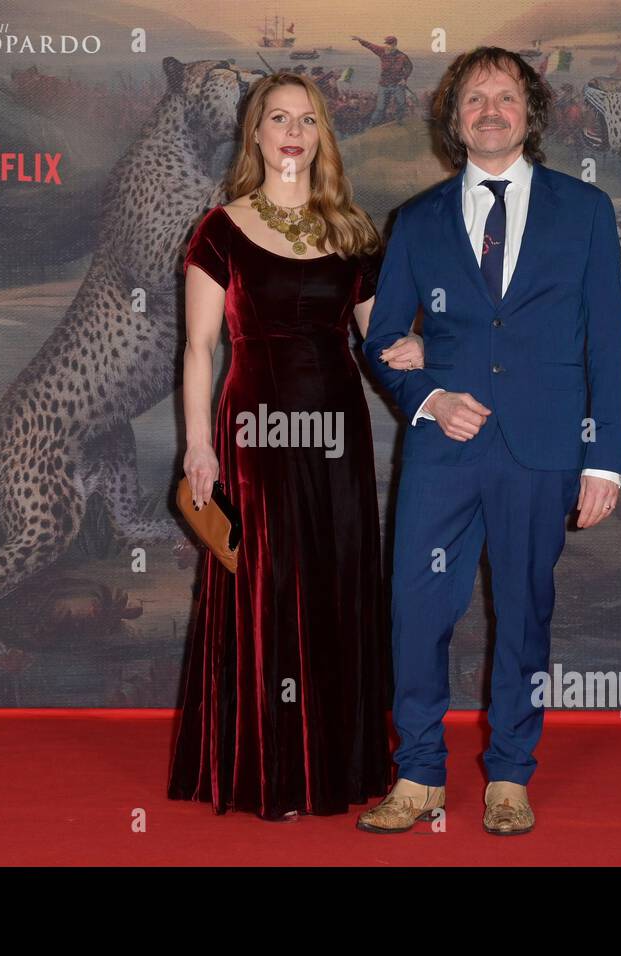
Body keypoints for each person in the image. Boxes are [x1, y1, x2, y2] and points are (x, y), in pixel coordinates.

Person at [358, 48, 621, 835]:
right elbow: (379, 341)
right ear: (455, 118)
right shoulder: (418, 220)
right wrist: (432, 394)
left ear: (529, 113)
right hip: (444, 451)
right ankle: (417, 776)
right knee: (415, 609)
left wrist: (604, 457)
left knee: (525, 612)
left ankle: (510, 775)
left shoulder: (585, 212)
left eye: (504, 96)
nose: (489, 109)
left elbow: (607, 344)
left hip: (544, 449)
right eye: (473, 97)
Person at [167, 72, 425, 820]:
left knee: (335, 579)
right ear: (255, 133)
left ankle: (338, 767)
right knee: (269, 586)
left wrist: (415, 346)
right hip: (254, 433)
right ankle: (270, 770)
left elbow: (380, 339)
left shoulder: (350, 230)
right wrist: (198, 447)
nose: (292, 131)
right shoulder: (220, 228)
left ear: (322, 136)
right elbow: (199, 349)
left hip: (339, 434)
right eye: (277, 117)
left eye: (307, 120)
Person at [351, 35, 413, 126]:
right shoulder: (382, 51)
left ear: (395, 44)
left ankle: (399, 120)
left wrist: (404, 79)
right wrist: (360, 40)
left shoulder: (402, 56)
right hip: (383, 85)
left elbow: (409, 67)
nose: (387, 46)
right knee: (380, 107)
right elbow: (370, 46)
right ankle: (372, 124)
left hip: (397, 84)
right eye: (386, 44)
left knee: (401, 104)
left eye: (390, 44)